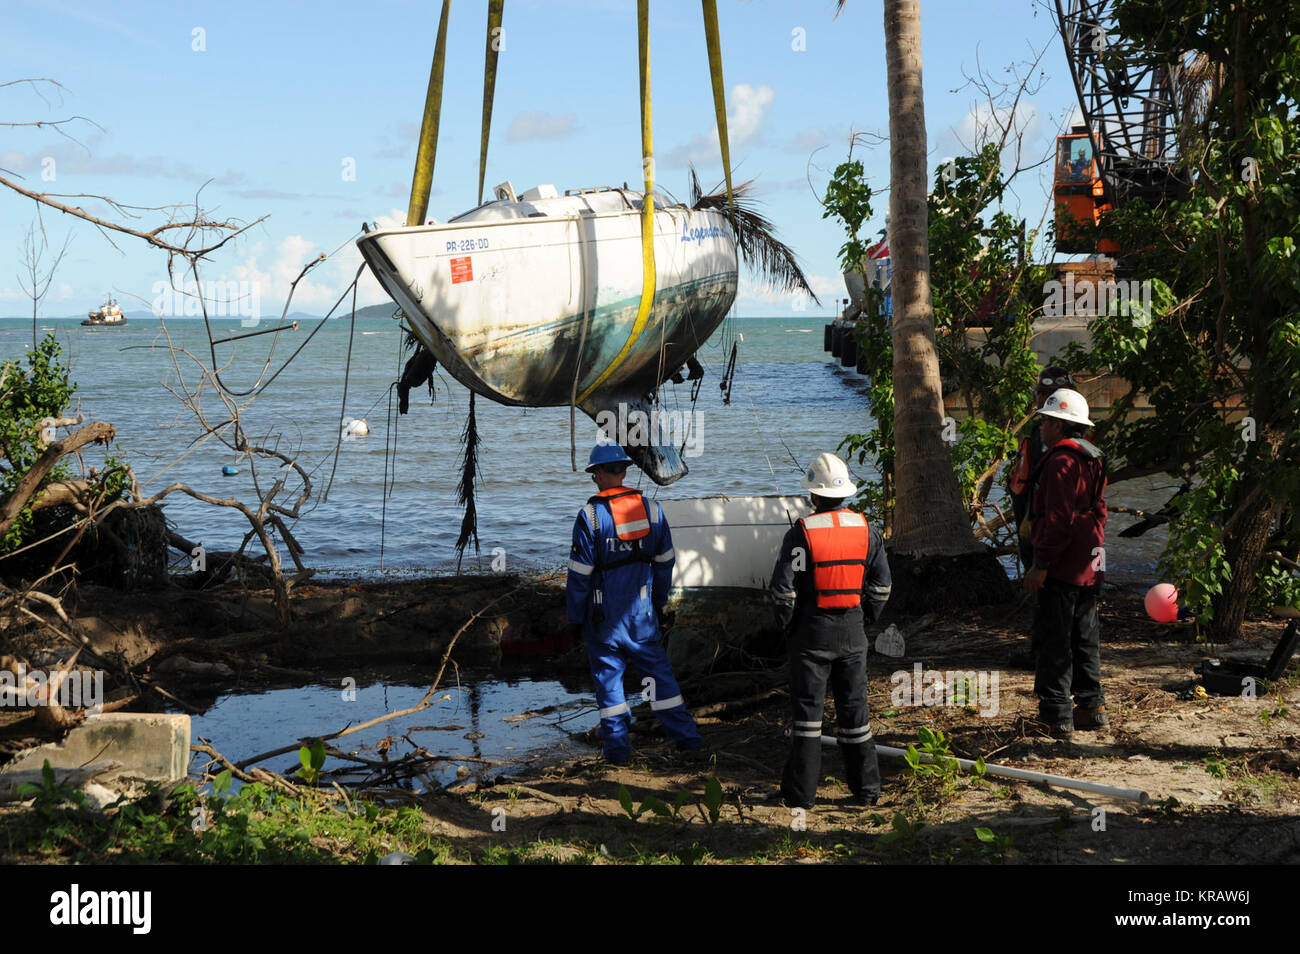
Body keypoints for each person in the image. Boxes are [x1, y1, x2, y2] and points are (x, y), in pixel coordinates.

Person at [565, 440, 702, 764]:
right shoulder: (653, 509)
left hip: (603, 619)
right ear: (624, 471)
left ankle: (617, 754)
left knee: (609, 685)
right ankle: (689, 743)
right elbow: (665, 563)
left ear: (597, 474)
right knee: (660, 679)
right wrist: (658, 602)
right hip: (641, 614)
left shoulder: (590, 517)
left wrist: (574, 619)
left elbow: (579, 577)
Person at [770, 452, 891, 809]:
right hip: (853, 632)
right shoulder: (867, 530)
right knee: (856, 716)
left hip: (811, 634)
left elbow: (782, 590)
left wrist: (788, 627)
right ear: (846, 494)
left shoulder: (800, 533)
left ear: (813, 496)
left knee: (808, 719)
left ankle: (801, 796)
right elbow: (882, 586)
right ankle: (867, 792)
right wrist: (865, 617)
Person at [1022, 388, 1108, 738]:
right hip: (1089, 561)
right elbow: (1097, 512)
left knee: (1054, 637)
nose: (1041, 428)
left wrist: (1041, 564)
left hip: (1062, 564)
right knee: (1085, 635)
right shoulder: (1092, 459)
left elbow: (1057, 520)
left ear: (1059, 425)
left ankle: (1055, 715)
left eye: (1045, 421)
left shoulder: (1060, 463)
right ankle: (1091, 707)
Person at [1007, 366, 1076, 668]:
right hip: (1034, 526)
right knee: (1045, 594)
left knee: (1053, 592)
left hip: (1049, 531)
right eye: (1042, 394)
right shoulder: (1039, 432)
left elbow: (1056, 496)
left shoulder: (1063, 439)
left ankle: (1048, 655)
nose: (1044, 400)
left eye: (1051, 395)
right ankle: (1044, 651)